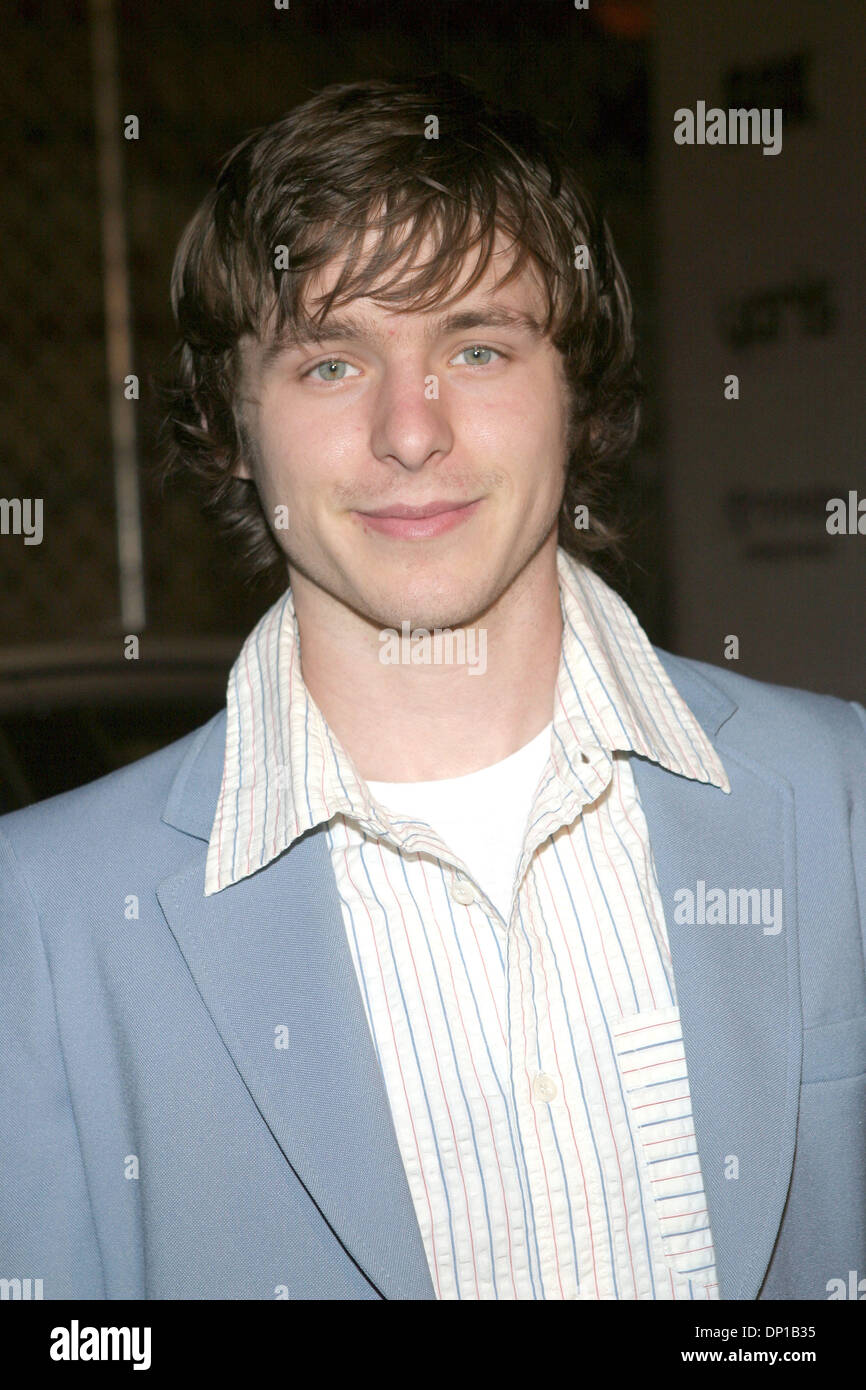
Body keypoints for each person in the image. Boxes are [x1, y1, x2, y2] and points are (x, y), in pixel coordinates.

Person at [1, 74, 864, 1302]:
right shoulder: (41, 924)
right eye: (331, 364)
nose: (413, 430)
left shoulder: (840, 803)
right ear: (232, 427)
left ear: (576, 390)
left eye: (476, 345)